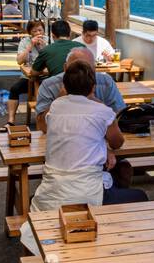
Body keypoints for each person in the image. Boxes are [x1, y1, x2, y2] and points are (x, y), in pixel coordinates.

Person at [28, 60, 146, 220]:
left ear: (65, 86)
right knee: (140, 196)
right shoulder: (103, 111)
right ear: (93, 87)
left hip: (52, 190)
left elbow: (44, 123)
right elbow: (117, 143)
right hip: (88, 193)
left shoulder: (55, 107)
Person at [1, 20, 47, 129]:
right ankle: (11, 120)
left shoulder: (48, 41)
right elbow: (19, 61)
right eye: (34, 31)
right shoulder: (24, 42)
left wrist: (43, 47)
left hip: (46, 77)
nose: (37, 33)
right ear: (30, 32)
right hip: (28, 77)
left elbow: (51, 59)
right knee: (14, 89)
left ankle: (46, 120)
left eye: (40, 30)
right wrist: (30, 46)